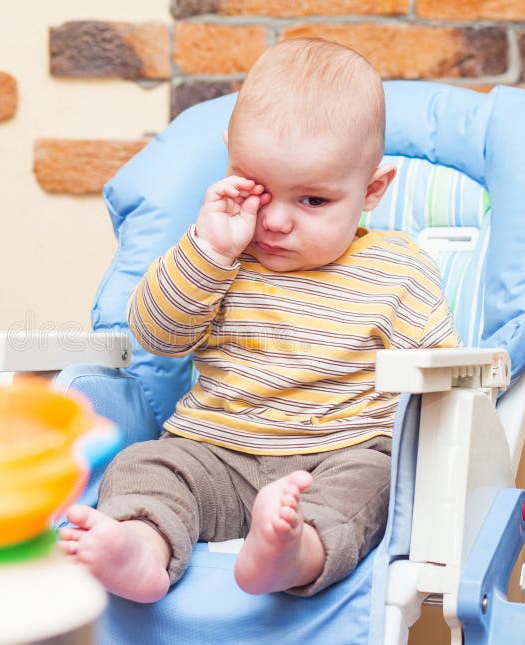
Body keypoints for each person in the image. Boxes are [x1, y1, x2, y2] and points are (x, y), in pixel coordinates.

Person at [58, 37, 460, 603]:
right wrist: (209, 253)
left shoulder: (399, 269)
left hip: (340, 454)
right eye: (259, 189)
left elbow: (443, 381)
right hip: (216, 450)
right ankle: (141, 547)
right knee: (145, 462)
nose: (274, 220)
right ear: (230, 158)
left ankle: (293, 552)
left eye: (313, 201)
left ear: (371, 191)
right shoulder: (217, 255)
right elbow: (156, 337)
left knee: (375, 485)